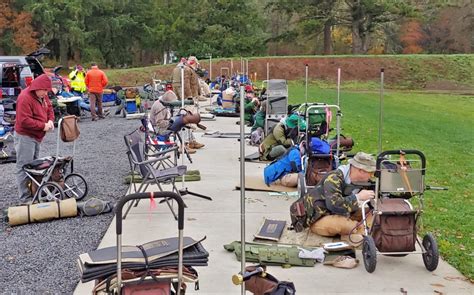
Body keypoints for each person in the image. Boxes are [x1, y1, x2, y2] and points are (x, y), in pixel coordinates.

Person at [304, 152, 376, 237]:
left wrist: (375, 200)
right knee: (345, 225)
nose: (372, 176)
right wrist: (358, 197)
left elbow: (375, 201)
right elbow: (334, 205)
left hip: (342, 214)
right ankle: (360, 231)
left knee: (374, 214)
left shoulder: (362, 181)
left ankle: (361, 230)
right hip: (319, 217)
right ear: (361, 171)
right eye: (370, 173)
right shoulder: (333, 178)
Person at [14, 74, 54, 202]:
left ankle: (33, 192)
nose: (46, 93)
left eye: (47, 91)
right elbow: (24, 120)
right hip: (25, 136)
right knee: (24, 166)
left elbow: (50, 109)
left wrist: (51, 121)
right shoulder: (24, 97)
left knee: (35, 166)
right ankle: (25, 198)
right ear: (37, 87)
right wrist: (43, 126)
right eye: (45, 90)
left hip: (37, 135)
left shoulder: (43, 95)